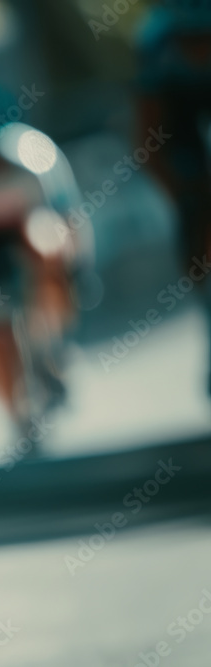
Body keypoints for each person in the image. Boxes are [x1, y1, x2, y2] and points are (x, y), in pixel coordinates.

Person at [0, 83, 84, 434]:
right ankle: (15, 408)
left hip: (30, 228)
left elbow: (67, 216)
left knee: (49, 252)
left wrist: (69, 269)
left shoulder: (35, 152)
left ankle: (52, 343)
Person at [135, 0, 211, 389]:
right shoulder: (156, 39)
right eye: (191, 39)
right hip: (180, 124)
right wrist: (182, 197)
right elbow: (149, 139)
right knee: (195, 208)